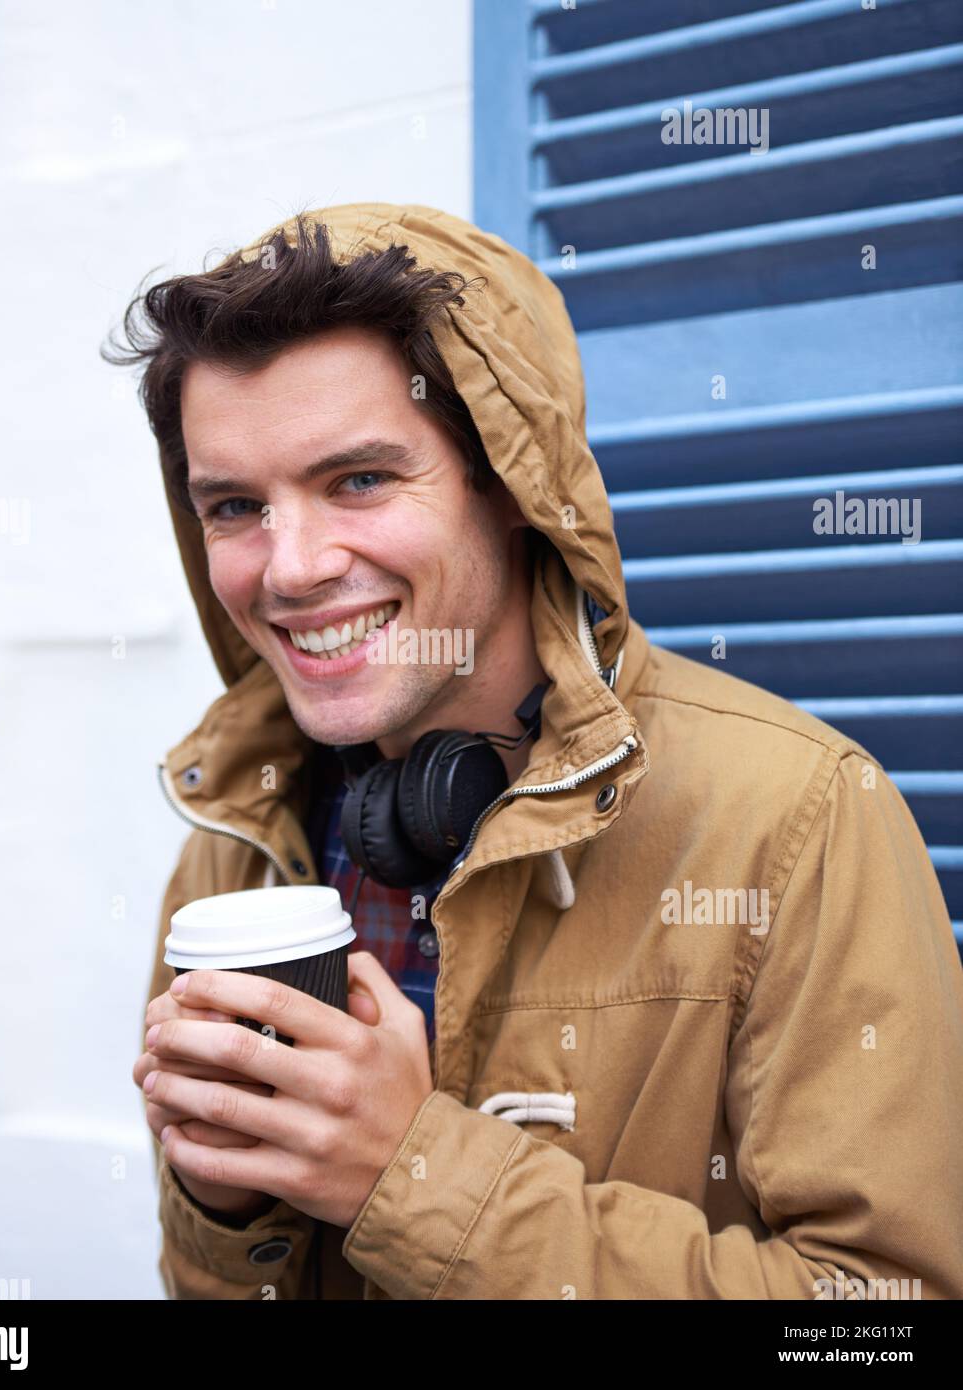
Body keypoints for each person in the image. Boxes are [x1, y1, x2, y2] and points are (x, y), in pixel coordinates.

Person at [108, 203, 963, 1299]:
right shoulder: (240, 838)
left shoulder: (800, 818)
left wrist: (408, 1174)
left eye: (359, 480)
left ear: (515, 483)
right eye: (236, 505)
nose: (291, 568)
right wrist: (231, 1213)